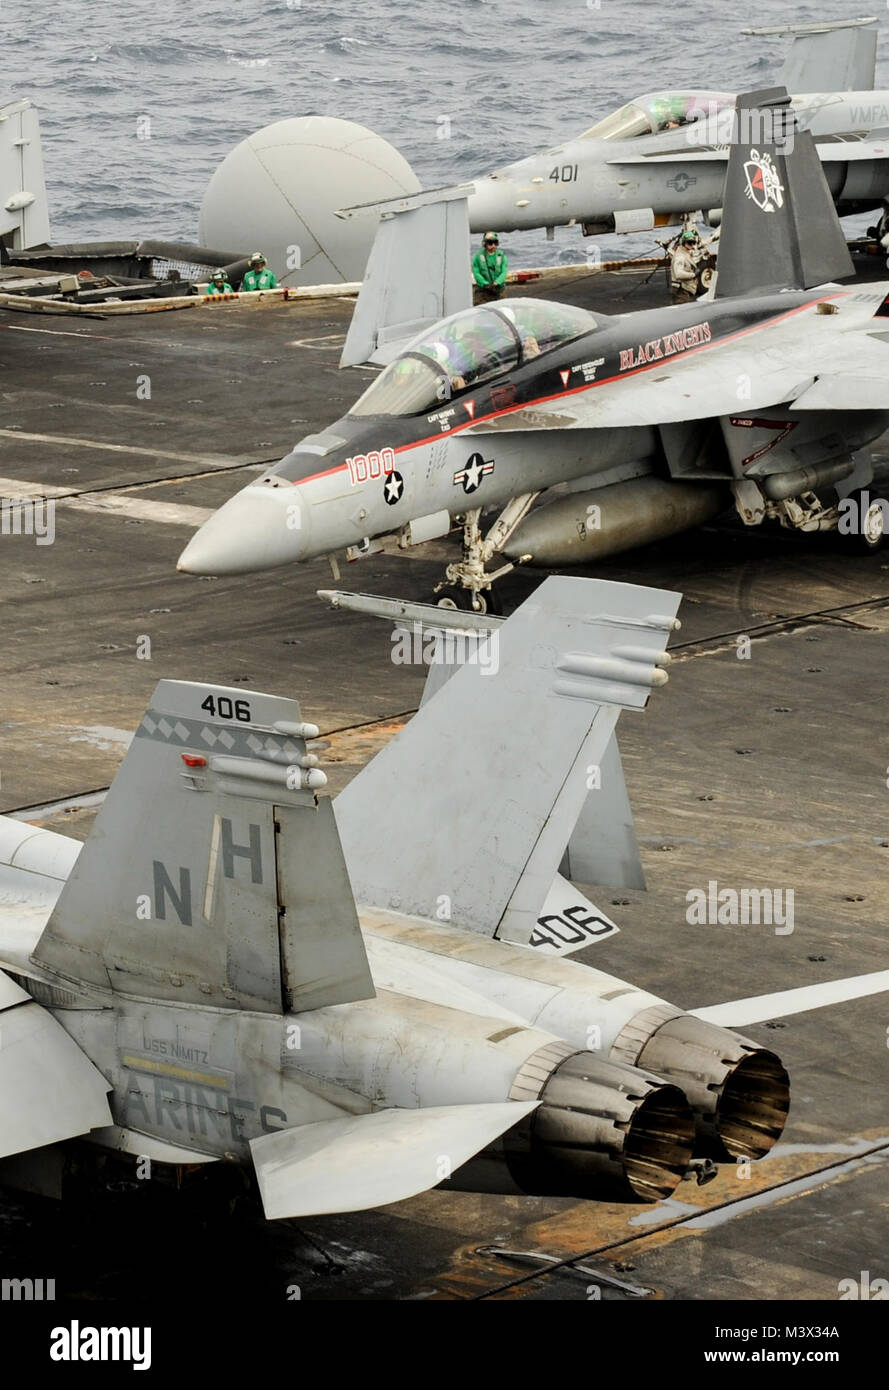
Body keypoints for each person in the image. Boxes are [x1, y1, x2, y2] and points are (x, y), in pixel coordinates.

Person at [472, 233, 508, 302]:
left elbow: (504, 271)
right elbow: (476, 272)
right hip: (483, 290)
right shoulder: (478, 256)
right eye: (490, 243)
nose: (493, 245)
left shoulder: (502, 255)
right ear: (485, 244)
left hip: (498, 290)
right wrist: (484, 283)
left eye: (495, 243)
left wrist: (497, 282)